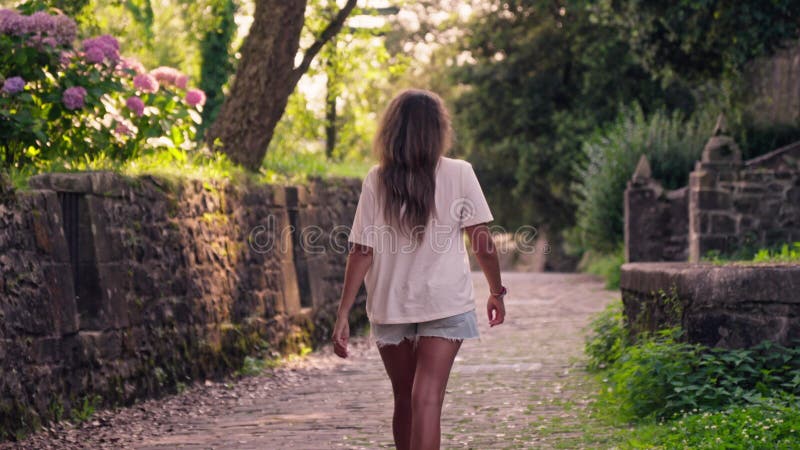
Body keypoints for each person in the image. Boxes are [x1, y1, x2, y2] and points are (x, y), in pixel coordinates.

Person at [332, 88, 506, 450]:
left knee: (405, 400)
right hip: (445, 302)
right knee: (426, 398)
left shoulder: (377, 179)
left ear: (392, 129)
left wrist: (343, 312)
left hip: (390, 304)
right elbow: (483, 243)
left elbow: (362, 250)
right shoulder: (459, 173)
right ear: (438, 129)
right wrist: (495, 290)